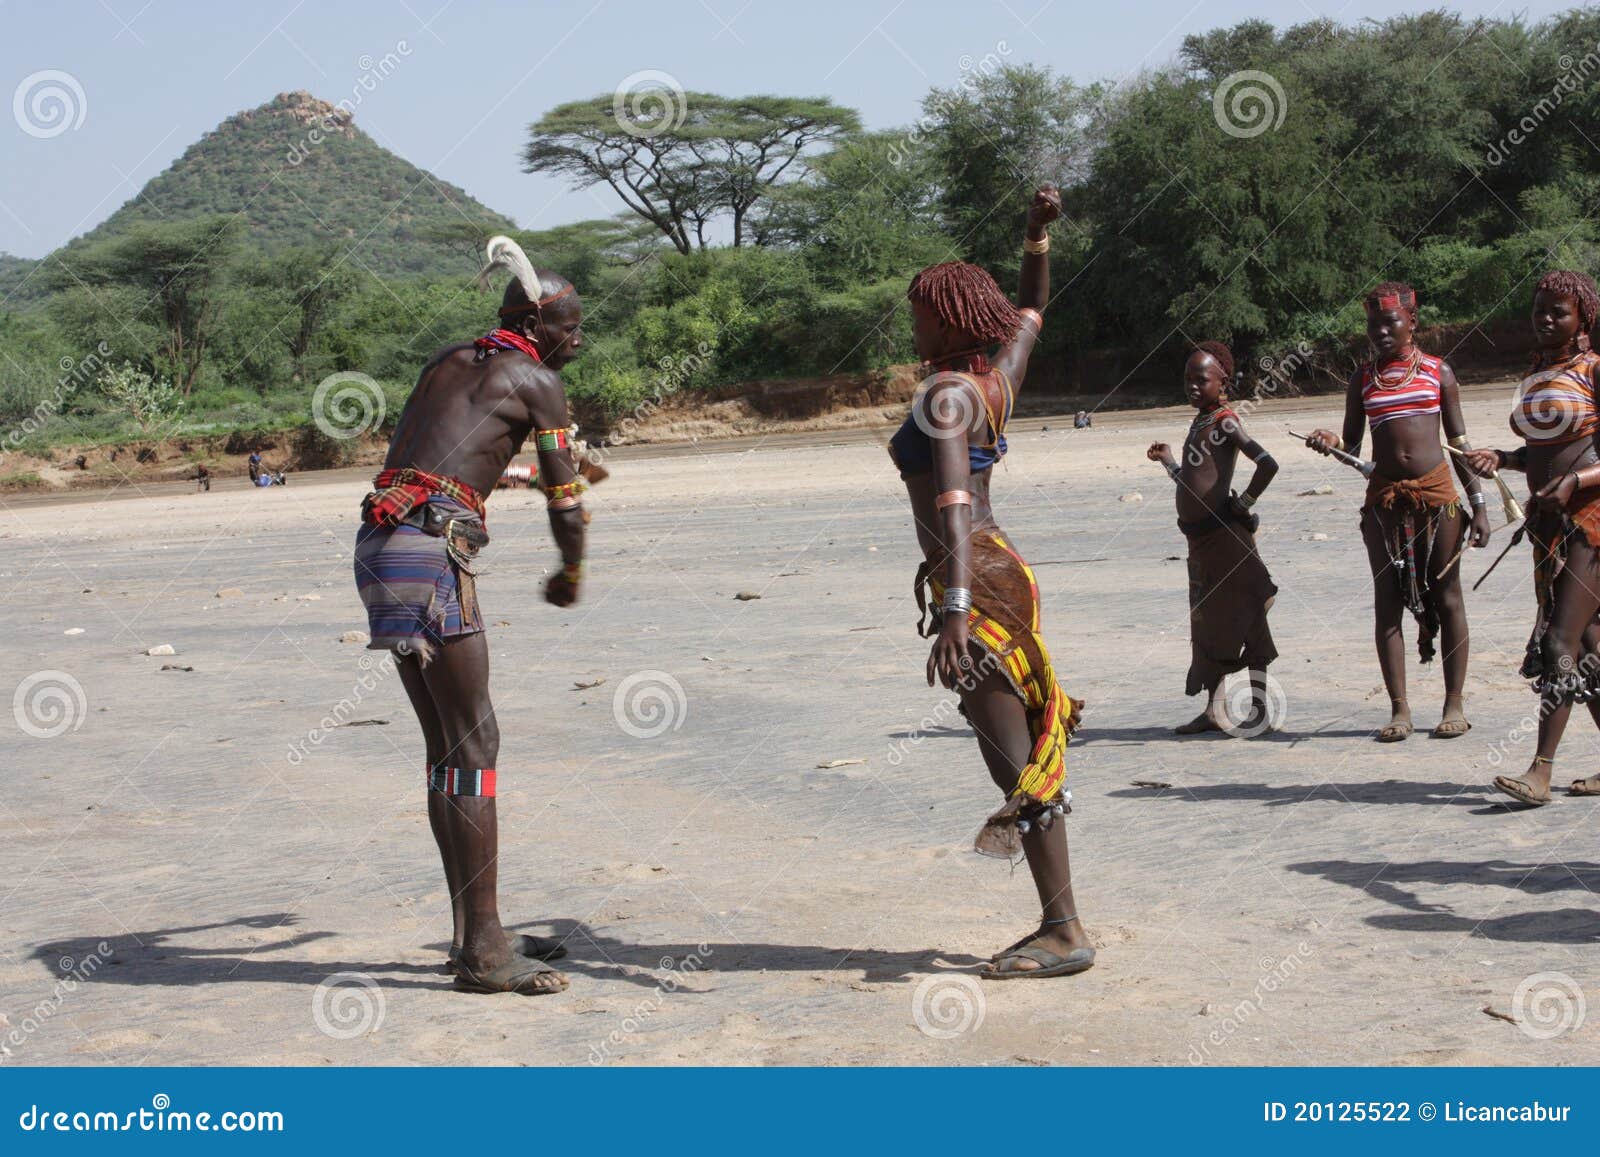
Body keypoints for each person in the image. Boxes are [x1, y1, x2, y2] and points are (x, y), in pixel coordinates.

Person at [353, 236, 588, 995]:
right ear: (538, 324)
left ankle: (472, 935)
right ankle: (486, 952)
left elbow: (439, 456)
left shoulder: (448, 360)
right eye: (572, 328)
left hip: (380, 544)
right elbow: (568, 506)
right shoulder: (538, 381)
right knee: (475, 744)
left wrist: (508, 476)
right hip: (431, 554)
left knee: (450, 747)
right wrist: (571, 570)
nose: (578, 341)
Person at [888, 186, 1093, 980]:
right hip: (1002, 570)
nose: (913, 324)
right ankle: (1059, 922)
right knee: (1014, 747)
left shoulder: (946, 395)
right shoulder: (993, 381)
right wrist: (1036, 235)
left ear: (949, 321)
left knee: (1016, 756)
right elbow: (1032, 311)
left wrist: (954, 611)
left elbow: (952, 500)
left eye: (920, 313)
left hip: (977, 579)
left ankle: (1064, 929)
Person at [1307, 282, 1490, 741]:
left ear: (1413, 322)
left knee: (1448, 595)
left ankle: (1454, 703)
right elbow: (1351, 447)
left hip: (1439, 495)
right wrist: (1330, 442)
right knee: (1387, 600)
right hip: (1385, 500)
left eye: (1390, 322)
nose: (1381, 332)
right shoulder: (1362, 379)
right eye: (1373, 325)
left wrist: (1480, 506)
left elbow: (1459, 445)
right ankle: (1399, 709)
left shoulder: (1438, 372)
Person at [1466, 270, 1600, 804]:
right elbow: (1541, 453)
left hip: (1592, 524)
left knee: (1558, 641)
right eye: (1539, 310)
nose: (1545, 319)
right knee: (1587, 644)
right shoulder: (1537, 375)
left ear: (1583, 318)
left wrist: (1575, 483)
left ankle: (1540, 771)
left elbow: (1580, 463)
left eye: (1558, 312)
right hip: (1550, 526)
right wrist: (1502, 458)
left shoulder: (1594, 370)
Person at [1146, 342, 1279, 734]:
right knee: (1207, 621)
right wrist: (1170, 462)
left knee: (1248, 616)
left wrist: (1245, 502)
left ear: (1223, 383)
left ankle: (1259, 709)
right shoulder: (1201, 421)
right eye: (1188, 379)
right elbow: (1193, 482)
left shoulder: (1225, 421)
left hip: (1226, 538)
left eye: (1201, 379)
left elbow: (1267, 463)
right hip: (1201, 541)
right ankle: (1214, 711)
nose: (1192, 386)